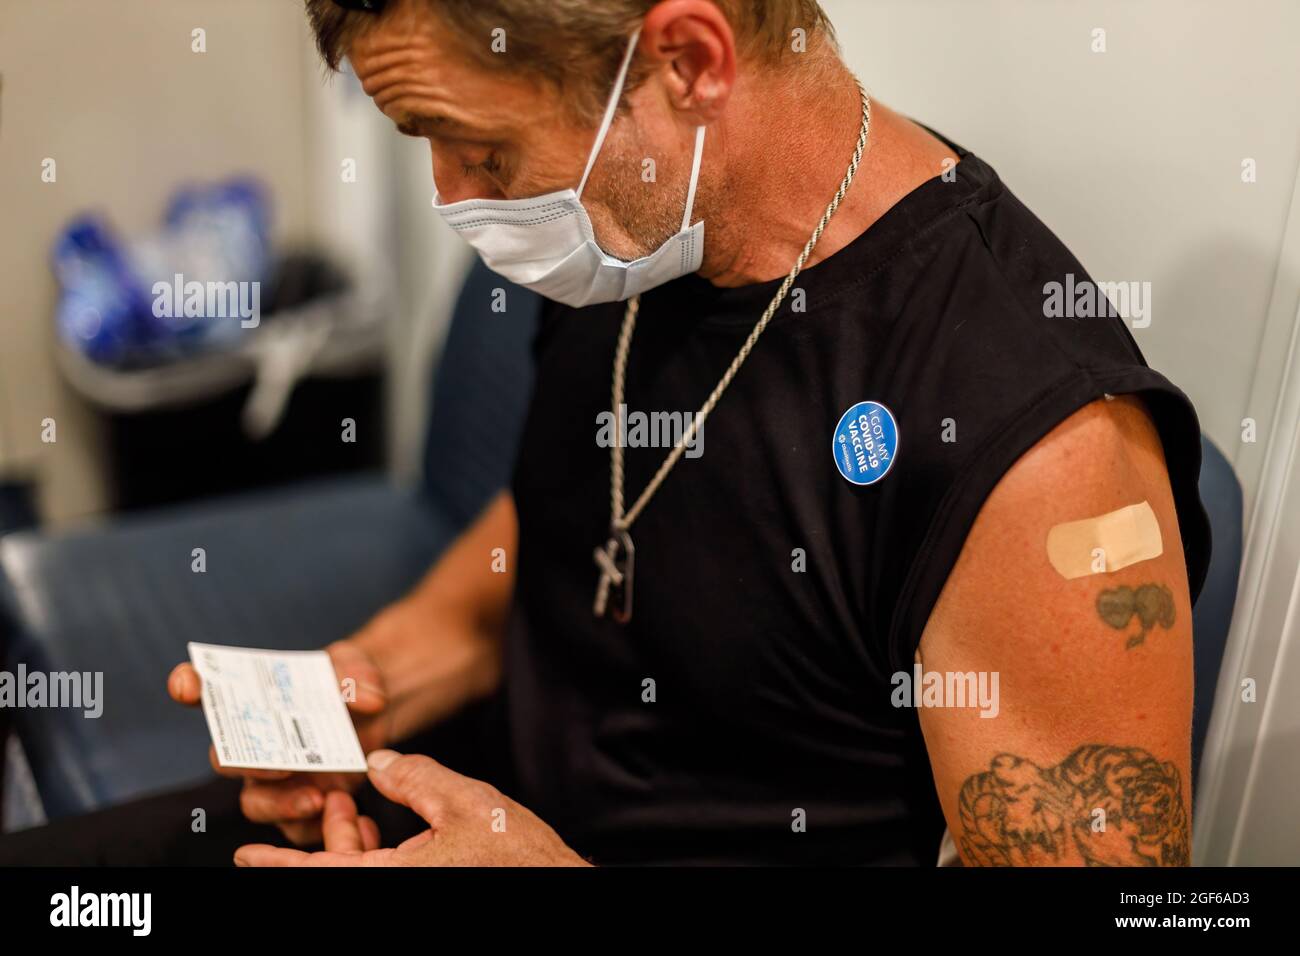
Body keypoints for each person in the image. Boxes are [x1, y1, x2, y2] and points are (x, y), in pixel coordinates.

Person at [7, 0, 1211, 867]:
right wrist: (380, 678)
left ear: (686, 60)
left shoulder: (1040, 454)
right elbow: (574, 513)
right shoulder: (641, 230)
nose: (451, 197)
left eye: (482, 149)